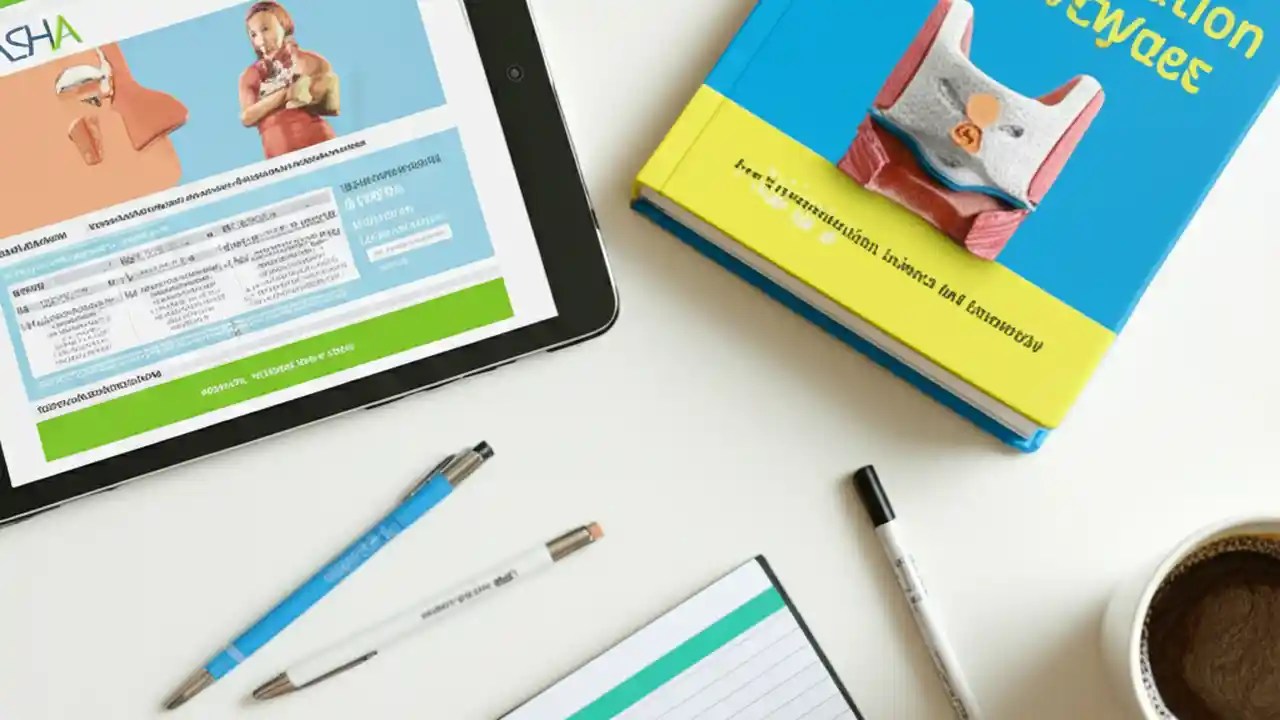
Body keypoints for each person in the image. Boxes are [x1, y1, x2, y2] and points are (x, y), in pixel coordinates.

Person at [238, 1, 340, 159]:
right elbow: (247, 117)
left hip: (321, 145)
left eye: (266, 29)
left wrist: (309, 90)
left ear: (283, 25)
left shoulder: (309, 60)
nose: (261, 39)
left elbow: (333, 105)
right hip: (281, 156)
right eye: (254, 34)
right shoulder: (251, 75)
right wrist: (284, 94)